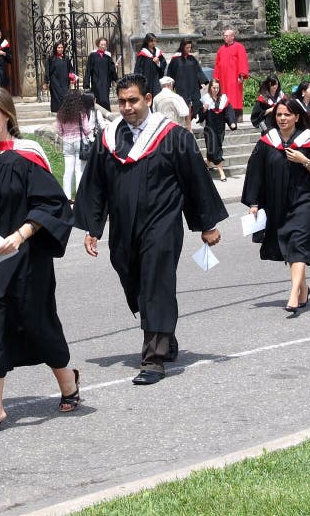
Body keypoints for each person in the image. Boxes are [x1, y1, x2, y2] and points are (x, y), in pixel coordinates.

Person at [74, 73, 226, 385]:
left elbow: (196, 181)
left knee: (156, 282)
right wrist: (93, 227)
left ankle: (153, 358)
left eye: (133, 100)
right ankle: (164, 334)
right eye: (122, 101)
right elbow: (96, 184)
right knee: (133, 279)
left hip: (162, 224)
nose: (127, 107)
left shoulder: (172, 136)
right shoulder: (110, 137)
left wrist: (206, 224)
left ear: (148, 99)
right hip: (123, 226)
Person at [0, 88, 80, 438]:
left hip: (26, 256)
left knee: (35, 321)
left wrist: (22, 233)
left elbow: (54, 205)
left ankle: (67, 379)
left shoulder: (28, 155)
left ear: (7, 117)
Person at [242, 99, 310, 314]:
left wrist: (304, 160)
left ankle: (293, 295)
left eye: (287, 115)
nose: (282, 118)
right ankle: (303, 288)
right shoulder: (267, 142)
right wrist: (254, 202)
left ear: (296, 117)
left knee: (299, 244)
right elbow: (255, 172)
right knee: (289, 246)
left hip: (304, 200)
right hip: (277, 203)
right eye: (279, 115)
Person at [56, 90, 92, 203]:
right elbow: (87, 129)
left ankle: (67, 197)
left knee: (68, 170)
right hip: (79, 141)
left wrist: (66, 134)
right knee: (79, 170)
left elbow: (59, 130)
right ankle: (80, 196)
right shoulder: (81, 112)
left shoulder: (61, 113)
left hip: (66, 142)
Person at [199, 78, 237, 181]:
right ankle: (221, 171)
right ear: (210, 88)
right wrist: (204, 109)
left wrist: (232, 122)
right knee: (214, 148)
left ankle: (208, 164)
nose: (215, 90)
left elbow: (229, 112)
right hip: (209, 128)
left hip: (220, 128)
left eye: (217, 88)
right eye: (213, 88)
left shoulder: (223, 99)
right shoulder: (206, 99)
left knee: (216, 146)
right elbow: (201, 117)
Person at [167, 39, 209, 129]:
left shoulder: (192, 58)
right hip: (182, 86)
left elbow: (198, 71)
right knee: (185, 105)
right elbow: (171, 73)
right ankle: (187, 126)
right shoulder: (176, 59)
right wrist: (170, 86)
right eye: (187, 47)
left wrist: (202, 82)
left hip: (192, 85)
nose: (189, 49)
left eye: (190, 47)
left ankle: (188, 125)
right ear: (182, 47)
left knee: (194, 105)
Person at [213, 28, 249, 119]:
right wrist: (216, 77)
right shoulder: (221, 49)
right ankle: (225, 115)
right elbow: (217, 64)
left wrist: (241, 75)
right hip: (223, 78)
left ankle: (237, 116)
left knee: (235, 96)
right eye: (224, 36)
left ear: (232, 37)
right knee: (223, 96)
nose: (224, 37)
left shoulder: (239, 47)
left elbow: (242, 61)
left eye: (226, 36)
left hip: (234, 78)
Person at [84, 36, 118, 111]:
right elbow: (88, 69)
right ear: (98, 45)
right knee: (99, 99)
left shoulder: (107, 56)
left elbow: (111, 69)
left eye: (104, 45)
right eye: (101, 44)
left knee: (105, 99)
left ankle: (106, 114)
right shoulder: (92, 55)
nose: (103, 46)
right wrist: (86, 83)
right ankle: (99, 114)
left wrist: (114, 68)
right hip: (96, 81)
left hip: (106, 82)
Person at [45, 41, 76, 113]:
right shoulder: (51, 59)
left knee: (65, 96)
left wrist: (71, 75)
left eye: (62, 47)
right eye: (59, 47)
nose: (60, 49)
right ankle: (57, 112)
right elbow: (47, 71)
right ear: (55, 48)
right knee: (57, 97)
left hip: (65, 81)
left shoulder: (66, 59)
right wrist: (46, 81)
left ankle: (64, 112)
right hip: (55, 82)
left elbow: (70, 69)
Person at [133, 32, 166, 97]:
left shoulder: (158, 52)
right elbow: (138, 68)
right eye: (151, 41)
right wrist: (139, 80)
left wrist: (158, 63)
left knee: (157, 95)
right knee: (147, 96)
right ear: (147, 41)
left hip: (156, 79)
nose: (153, 43)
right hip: (146, 79)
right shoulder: (143, 53)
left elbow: (163, 64)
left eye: (154, 41)